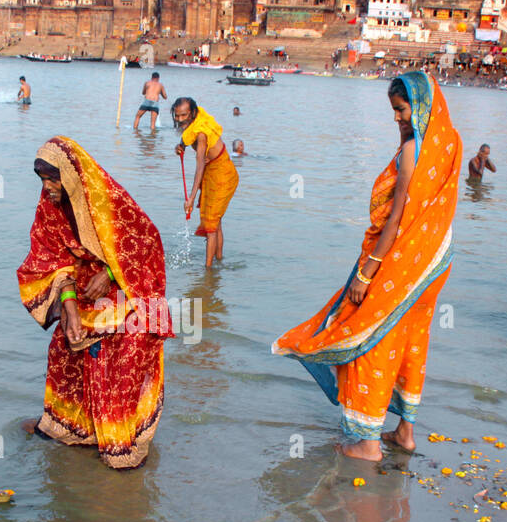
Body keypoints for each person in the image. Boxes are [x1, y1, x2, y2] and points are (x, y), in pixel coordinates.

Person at [272, 72, 461, 460]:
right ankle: (405, 432)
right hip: (435, 261)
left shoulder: (413, 152)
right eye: (393, 111)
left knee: (370, 340)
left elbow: (396, 217)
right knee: (411, 341)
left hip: (401, 261)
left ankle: (368, 443)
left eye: (401, 110)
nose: (397, 118)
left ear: (421, 106)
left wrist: (367, 272)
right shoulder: (450, 143)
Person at [18, 137, 173, 469]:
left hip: (126, 295)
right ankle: (72, 430)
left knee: (116, 363)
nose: (47, 188)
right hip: (83, 292)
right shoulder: (49, 207)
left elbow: (147, 242)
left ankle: (122, 448)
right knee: (65, 347)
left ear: (71, 177)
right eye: (42, 180)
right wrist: (70, 304)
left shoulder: (107, 199)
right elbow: (48, 258)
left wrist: (112, 274)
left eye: (53, 179)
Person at [174, 97, 239, 268]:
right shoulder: (193, 124)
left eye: (184, 115)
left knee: (211, 224)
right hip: (212, 172)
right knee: (215, 222)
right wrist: (181, 146)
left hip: (223, 174)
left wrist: (192, 198)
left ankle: (208, 272)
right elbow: (187, 137)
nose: (180, 119)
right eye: (177, 116)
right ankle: (218, 262)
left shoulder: (201, 135)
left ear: (193, 113)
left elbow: (199, 166)